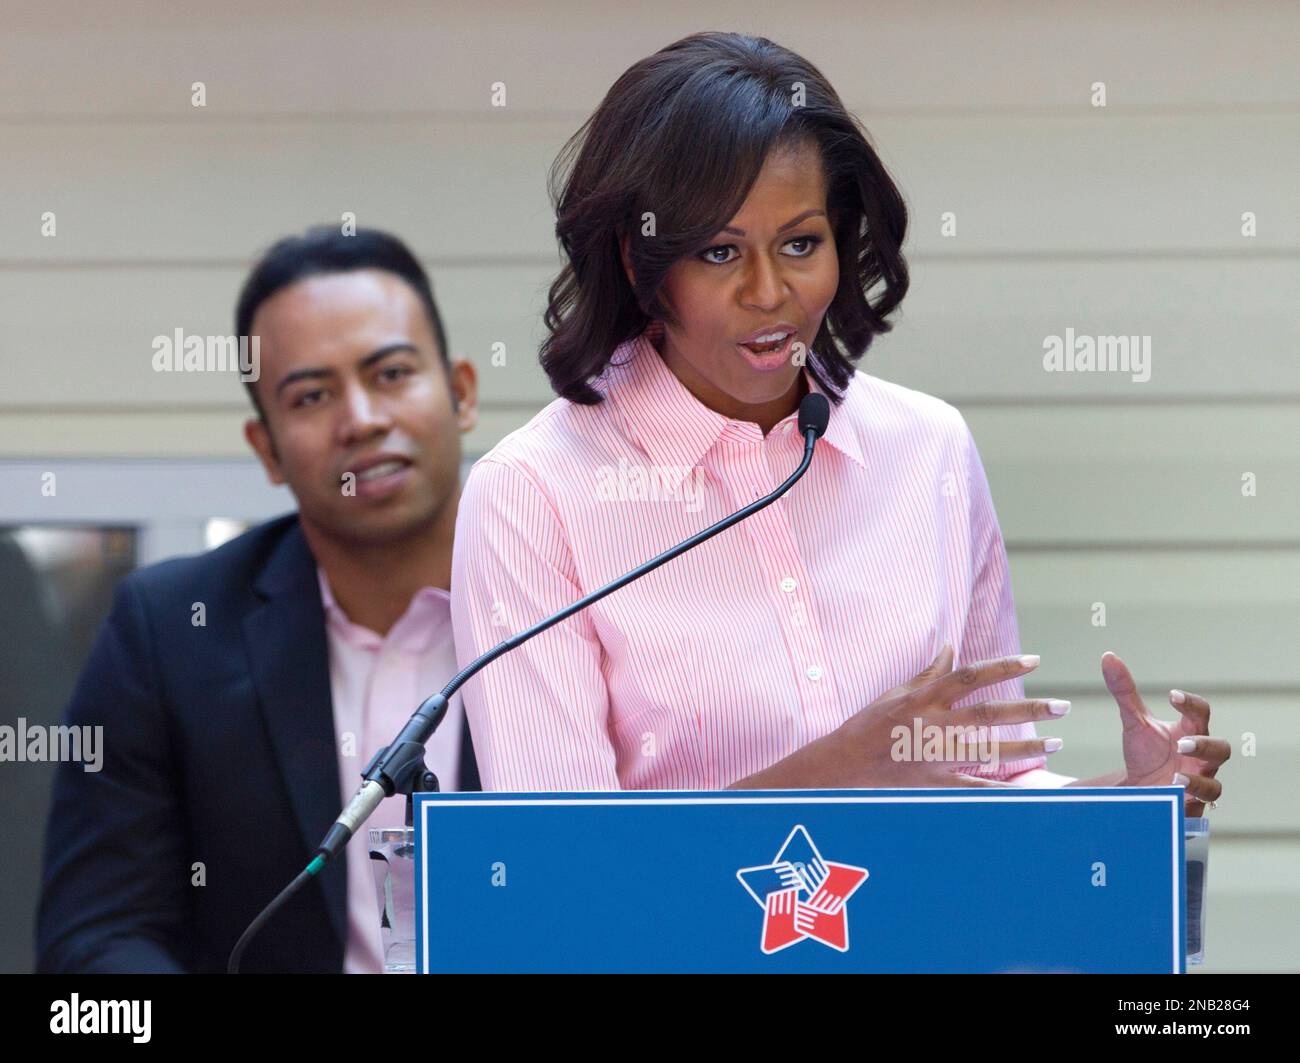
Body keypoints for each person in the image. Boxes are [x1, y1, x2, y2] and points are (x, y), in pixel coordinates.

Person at [450, 32, 1229, 807]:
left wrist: (1128, 798)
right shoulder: (533, 493)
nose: (768, 291)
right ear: (636, 258)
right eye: (720, 253)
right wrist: (835, 769)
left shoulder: (931, 451)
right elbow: (556, 866)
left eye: (801, 243)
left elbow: (985, 791)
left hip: (919, 934)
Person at [36, 227, 481, 973]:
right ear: (267, 447)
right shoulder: (169, 631)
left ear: (461, 390)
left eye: (392, 372)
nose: (362, 419)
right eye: (312, 395)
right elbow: (97, 938)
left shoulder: (575, 604)